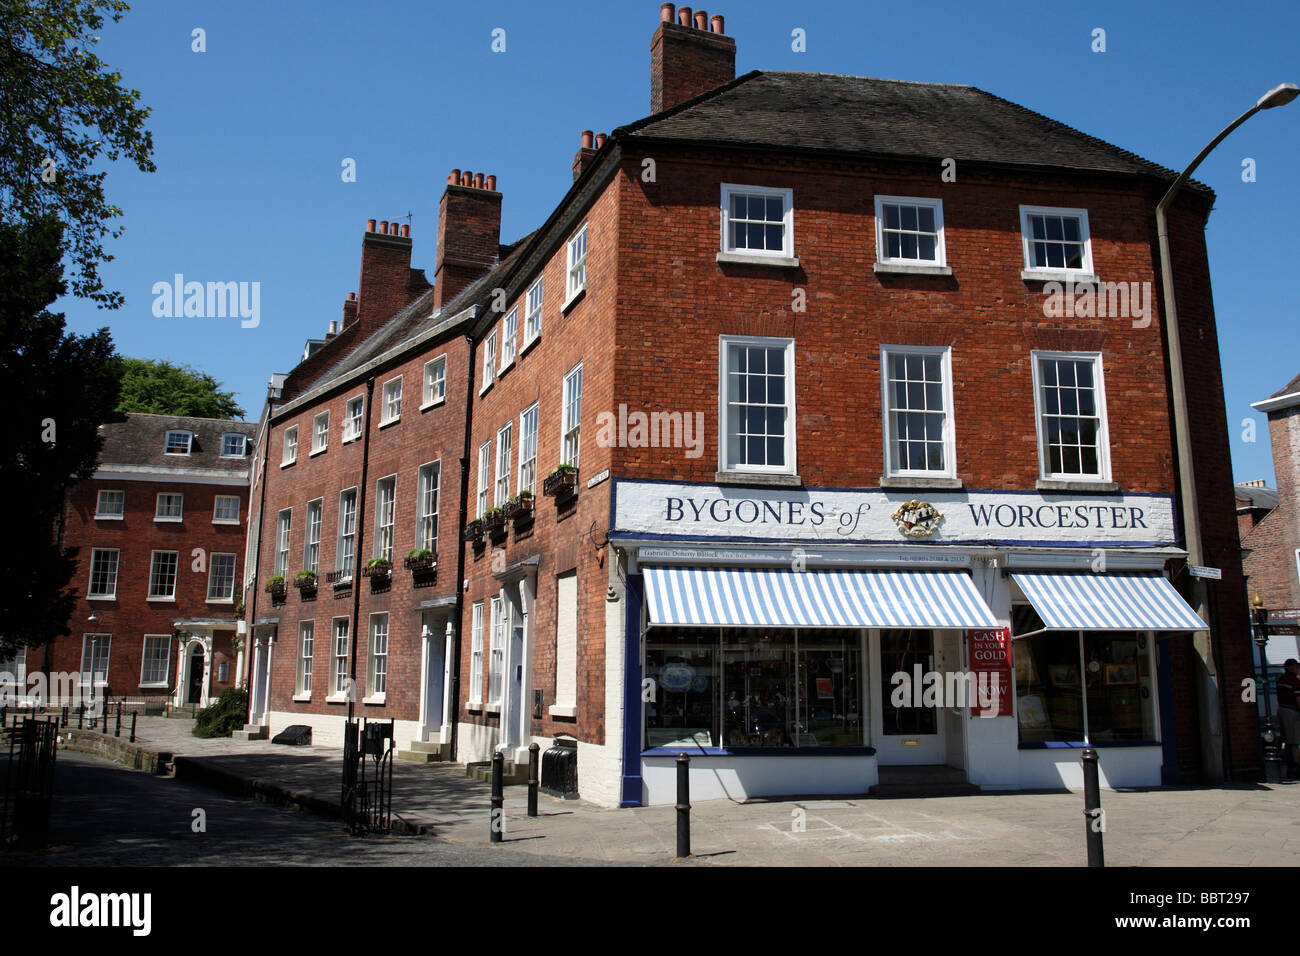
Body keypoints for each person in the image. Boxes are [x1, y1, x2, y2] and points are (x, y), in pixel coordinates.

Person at [1276, 659, 1300, 779]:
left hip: (1282, 709)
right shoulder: (1294, 681)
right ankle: (1295, 766)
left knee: (1288, 739)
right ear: (1291, 668)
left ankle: (1290, 764)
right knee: (1295, 740)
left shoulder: (1281, 679)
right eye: (1297, 667)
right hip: (1291, 711)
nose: (1298, 670)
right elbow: (1298, 699)